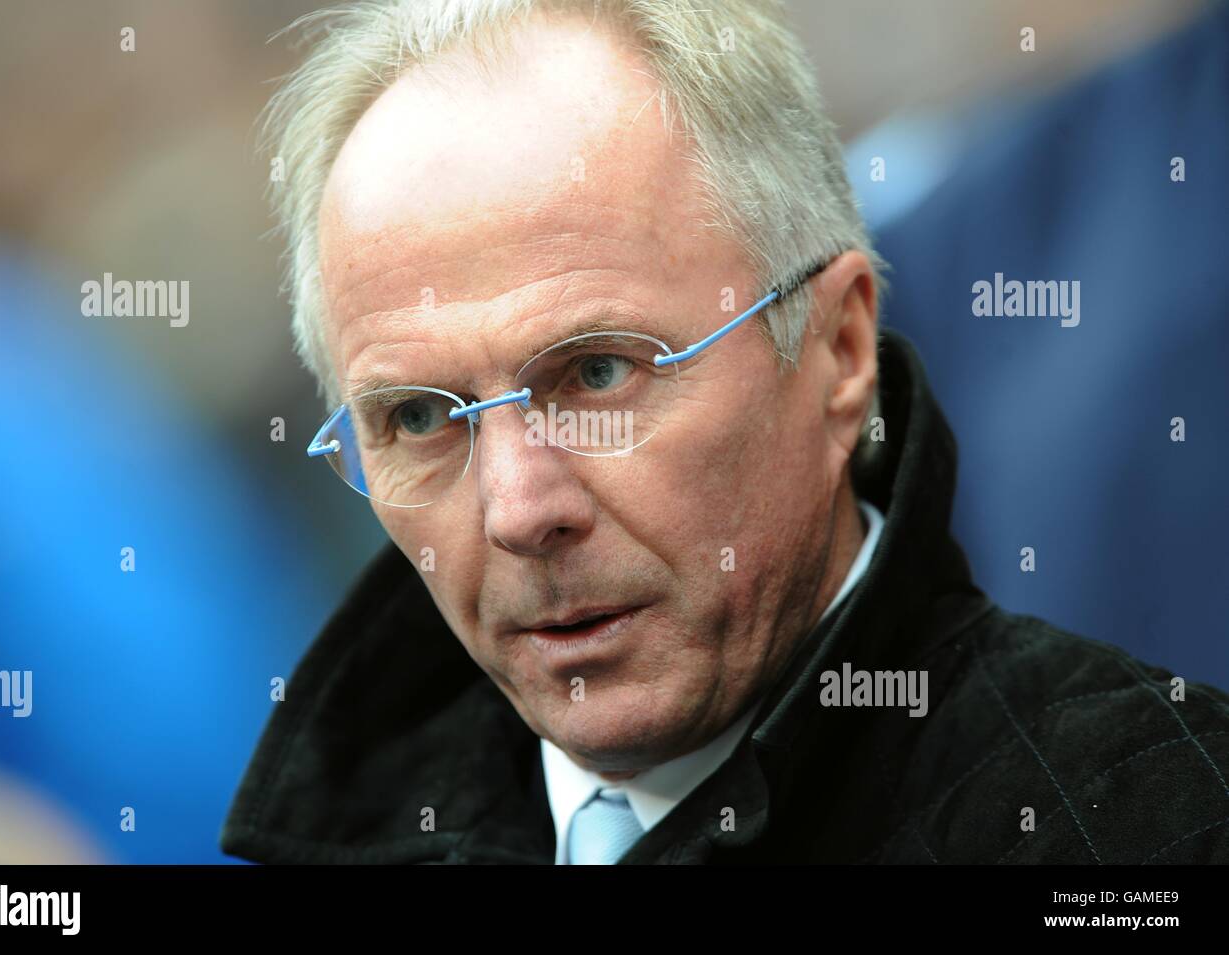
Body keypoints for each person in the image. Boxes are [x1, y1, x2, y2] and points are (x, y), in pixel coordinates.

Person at [220, 0, 1229, 864]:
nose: (518, 508)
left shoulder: (1145, 822)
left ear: (838, 352)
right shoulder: (343, 829)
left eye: (598, 373)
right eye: (421, 417)